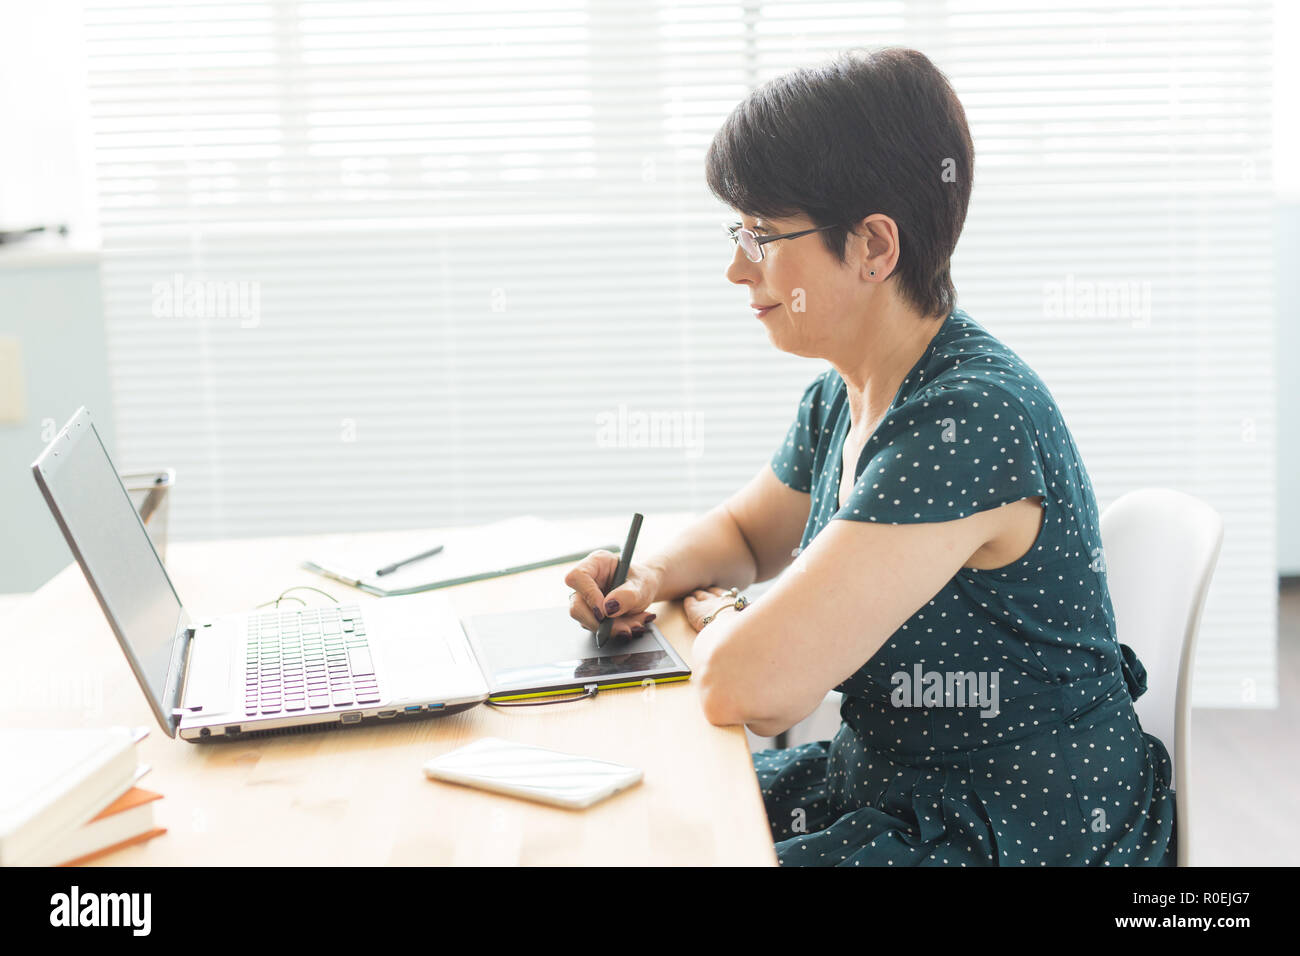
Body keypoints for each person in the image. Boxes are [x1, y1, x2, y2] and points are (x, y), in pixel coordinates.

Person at [566, 47, 1175, 866]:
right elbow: (747, 534)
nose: (736, 268)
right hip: (887, 784)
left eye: (761, 235)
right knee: (637, 818)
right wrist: (650, 575)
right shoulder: (846, 388)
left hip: (1012, 824)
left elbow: (749, 686)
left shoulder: (968, 420)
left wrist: (716, 614)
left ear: (873, 247)